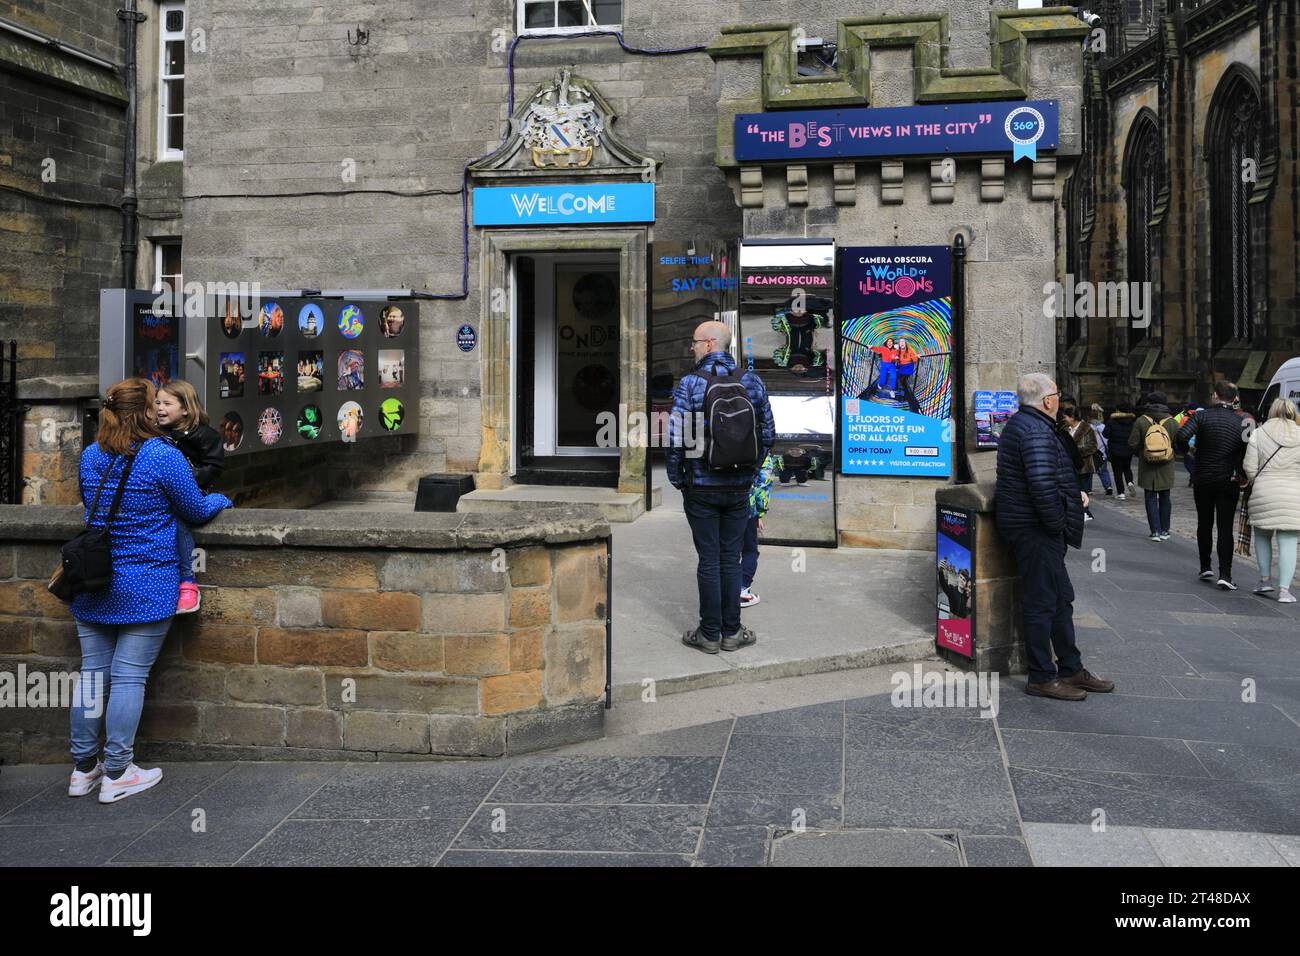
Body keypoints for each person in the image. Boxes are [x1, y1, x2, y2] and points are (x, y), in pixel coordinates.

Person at [69, 379, 231, 803]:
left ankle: (84, 769)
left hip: (92, 582)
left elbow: (91, 508)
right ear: (145, 411)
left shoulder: (90, 456)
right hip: (146, 581)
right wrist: (222, 502)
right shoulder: (162, 455)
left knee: (91, 675)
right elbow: (195, 508)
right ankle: (118, 771)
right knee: (128, 678)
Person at [995, 373, 1113, 700]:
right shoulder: (1034, 430)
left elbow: (1047, 477)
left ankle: (1071, 669)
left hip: (1036, 527)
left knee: (1061, 599)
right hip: (1035, 530)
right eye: (1057, 394)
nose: (1059, 399)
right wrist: (1058, 520)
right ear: (1048, 400)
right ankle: (1042, 676)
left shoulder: (1033, 425)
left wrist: (1072, 497)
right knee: (1041, 602)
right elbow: (1042, 485)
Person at [667, 320, 775, 654]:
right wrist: (751, 474)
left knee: (708, 559)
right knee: (731, 557)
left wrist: (679, 478)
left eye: (696, 342)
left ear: (711, 343)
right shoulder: (751, 380)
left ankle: (709, 634)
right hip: (739, 487)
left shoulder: (690, 384)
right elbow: (769, 435)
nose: (692, 347)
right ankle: (732, 631)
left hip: (700, 487)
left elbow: (677, 438)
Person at [154, 379, 225, 613]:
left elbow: (214, 467)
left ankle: (187, 581)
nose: (160, 408)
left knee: (180, 520)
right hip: (164, 491)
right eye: (157, 402)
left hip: (193, 490)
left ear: (185, 408)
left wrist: (191, 477)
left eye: (167, 403)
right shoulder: (156, 434)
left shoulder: (205, 435)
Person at [1176, 381, 1248, 589]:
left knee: (1204, 523)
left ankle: (1205, 566)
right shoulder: (1242, 421)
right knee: (1225, 527)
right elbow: (1248, 449)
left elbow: (1181, 435)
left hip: (1204, 477)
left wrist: (1189, 451)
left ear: (1215, 395)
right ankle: (1225, 574)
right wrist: (1242, 472)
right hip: (1228, 478)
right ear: (1234, 398)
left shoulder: (1201, 416)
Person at [1243, 398, 1300, 603]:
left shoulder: (1259, 433)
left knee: (1262, 536)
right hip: (1294, 494)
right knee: (1288, 542)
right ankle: (1284, 591)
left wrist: (1258, 480)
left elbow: (1249, 467)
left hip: (1264, 491)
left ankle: (1265, 580)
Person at [1128, 391, 1179, 541]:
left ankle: (1155, 531)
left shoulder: (1141, 421)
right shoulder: (1172, 422)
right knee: (1165, 497)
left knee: (1150, 497)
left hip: (1147, 465)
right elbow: (1179, 443)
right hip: (1166, 465)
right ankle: (1165, 530)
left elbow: (1132, 443)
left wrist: (1143, 452)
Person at [740, 452, 776, 609]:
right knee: (749, 550)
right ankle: (742, 591)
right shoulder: (760, 450)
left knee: (727, 551)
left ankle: (722, 591)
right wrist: (760, 512)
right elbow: (763, 483)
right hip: (745, 506)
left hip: (716, 505)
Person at [1061, 402, 1098, 521]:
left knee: (1083, 490)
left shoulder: (1087, 429)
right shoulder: (1064, 429)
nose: (1064, 419)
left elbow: (1093, 446)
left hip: (1084, 466)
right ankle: (1075, 512)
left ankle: (1085, 512)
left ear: (1072, 417)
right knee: (1072, 491)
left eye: (1065, 417)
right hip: (1068, 466)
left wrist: (1075, 451)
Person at [1103, 402, 1137, 499]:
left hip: (1115, 449)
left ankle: (1121, 493)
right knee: (1127, 468)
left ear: (1117, 410)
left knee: (1117, 471)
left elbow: (1106, 434)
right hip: (1128, 449)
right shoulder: (1132, 421)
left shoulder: (1111, 421)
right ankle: (1130, 482)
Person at [1089, 404, 1114, 496]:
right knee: (1103, 470)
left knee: (1089, 471)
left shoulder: (1088, 427)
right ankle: (1108, 486)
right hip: (1102, 453)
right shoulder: (1103, 427)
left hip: (1091, 452)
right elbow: (1107, 440)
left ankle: (1088, 488)